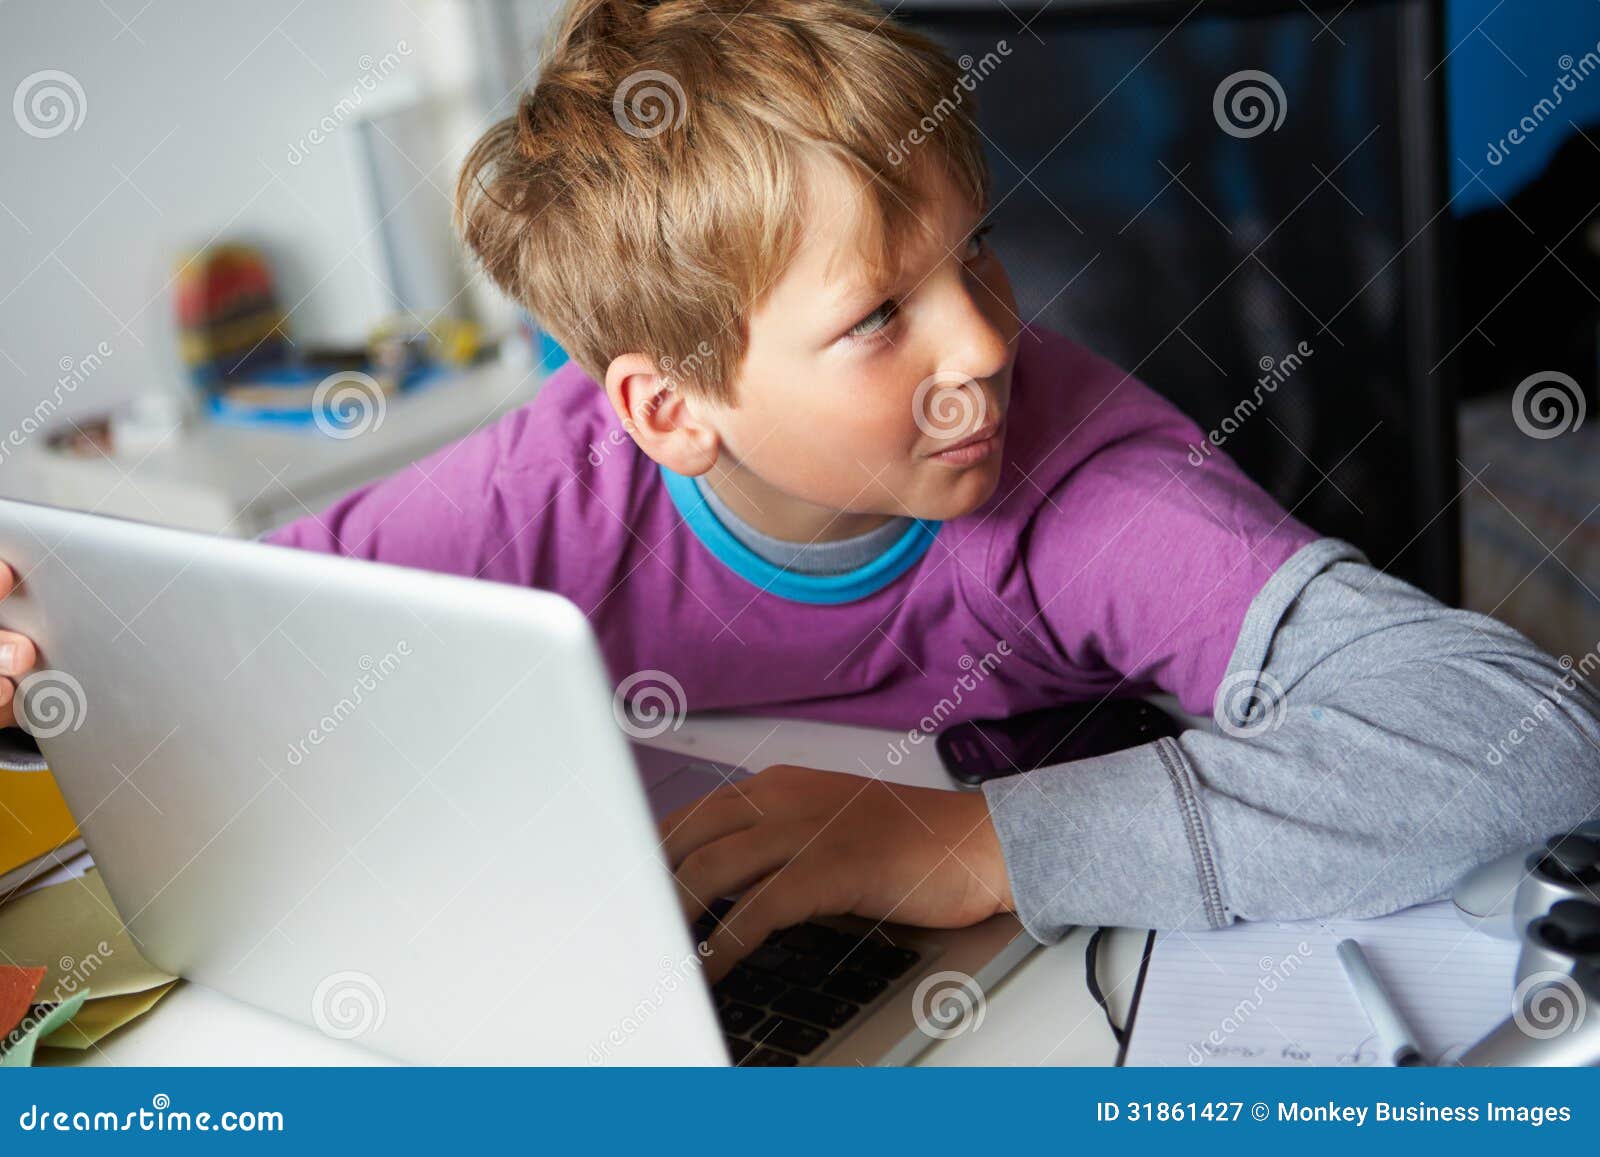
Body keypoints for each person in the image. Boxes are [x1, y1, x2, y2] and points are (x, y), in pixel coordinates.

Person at [2, 0, 1594, 985]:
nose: (989, 330)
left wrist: (973, 842)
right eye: (876, 315)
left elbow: (1529, 737)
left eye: (972, 247)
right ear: (669, 409)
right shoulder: (546, 484)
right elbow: (255, 644)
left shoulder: (1076, 473)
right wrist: (42, 672)